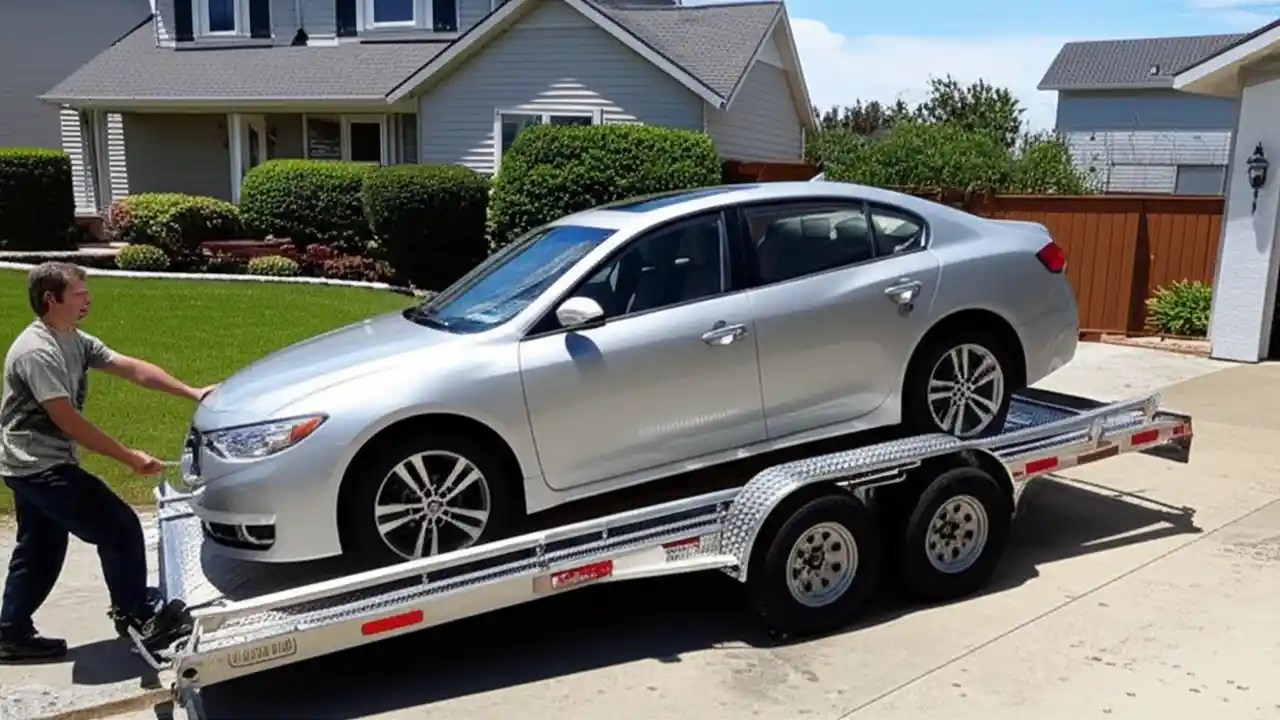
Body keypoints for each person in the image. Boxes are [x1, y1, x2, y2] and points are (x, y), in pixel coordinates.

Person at [0, 262, 217, 663]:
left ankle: (11, 633)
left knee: (41, 548)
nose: (88, 300)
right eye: (80, 294)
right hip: (38, 465)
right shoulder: (37, 351)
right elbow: (68, 421)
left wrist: (192, 391)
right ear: (52, 300)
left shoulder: (72, 339)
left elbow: (131, 368)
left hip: (29, 463)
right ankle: (139, 618)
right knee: (117, 526)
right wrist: (129, 457)